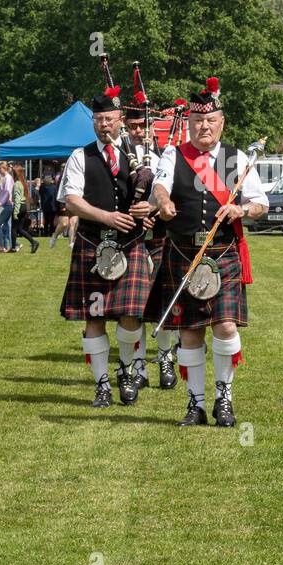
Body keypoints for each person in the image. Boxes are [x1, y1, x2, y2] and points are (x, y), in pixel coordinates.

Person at [151, 76, 269, 426]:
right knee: (189, 331)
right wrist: (163, 202)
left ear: (221, 123)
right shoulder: (174, 154)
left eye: (211, 121)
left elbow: (260, 203)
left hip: (222, 253)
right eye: (198, 121)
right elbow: (160, 185)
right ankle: (195, 404)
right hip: (183, 251)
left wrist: (240, 210)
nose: (204, 127)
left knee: (226, 327)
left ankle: (224, 399)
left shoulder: (236, 158)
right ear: (189, 124)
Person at [58, 83, 158, 408]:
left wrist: (151, 208)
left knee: (132, 315)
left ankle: (126, 370)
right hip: (92, 242)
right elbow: (71, 200)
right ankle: (101, 383)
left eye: (109, 118)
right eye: (99, 119)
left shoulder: (142, 155)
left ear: (120, 121)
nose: (104, 124)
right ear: (94, 122)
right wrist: (106, 217)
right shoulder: (79, 156)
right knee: (94, 316)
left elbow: (162, 192)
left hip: (131, 244)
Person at [124, 77, 177, 390]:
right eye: (132, 127)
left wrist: (154, 212)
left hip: (159, 237)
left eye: (142, 126)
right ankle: (140, 365)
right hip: (130, 241)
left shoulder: (165, 156)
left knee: (163, 302)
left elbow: (173, 193)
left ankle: (167, 358)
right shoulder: (118, 159)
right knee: (135, 307)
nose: (137, 132)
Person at [0, 162, 15, 252]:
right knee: (6, 226)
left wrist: (0, 202)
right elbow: (1, 191)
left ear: (4, 168)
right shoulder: (3, 178)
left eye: (0, 169)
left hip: (8, 204)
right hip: (5, 204)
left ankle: (1, 246)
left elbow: (7, 192)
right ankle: (8, 246)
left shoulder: (8, 178)